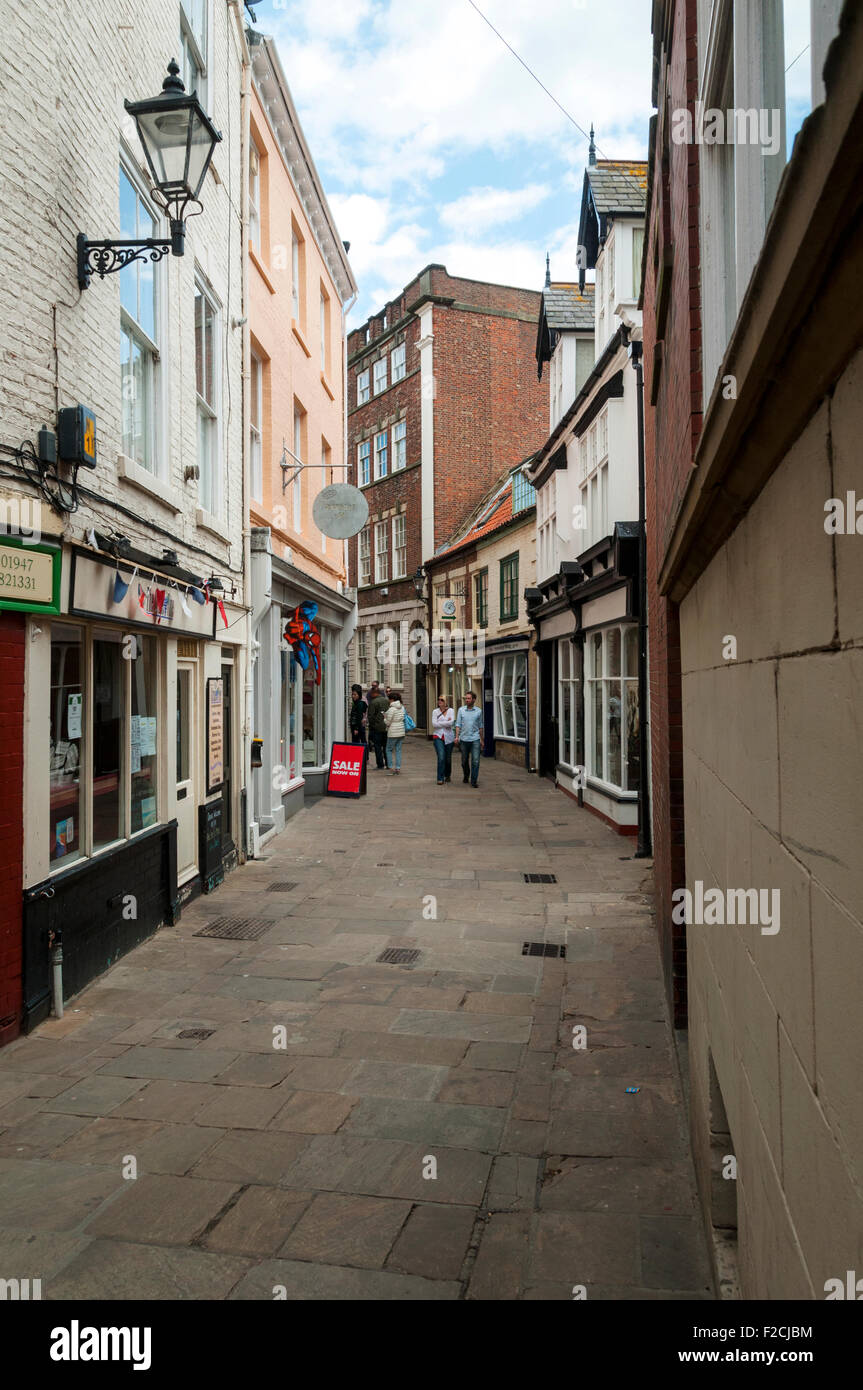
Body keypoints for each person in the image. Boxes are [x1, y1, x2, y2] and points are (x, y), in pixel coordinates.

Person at [454, 689, 483, 787]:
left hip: (475, 739)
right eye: (466, 698)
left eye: (469, 698)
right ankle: (466, 775)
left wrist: (481, 740)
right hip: (464, 739)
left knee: (475, 761)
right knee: (464, 761)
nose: (467, 700)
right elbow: (458, 724)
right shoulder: (461, 710)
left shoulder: (479, 711)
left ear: (474, 700)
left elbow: (480, 726)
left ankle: (474, 781)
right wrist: (456, 737)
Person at [431, 694, 455, 784]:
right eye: (439, 699)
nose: (439, 701)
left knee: (448, 759)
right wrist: (446, 722)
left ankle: (447, 775)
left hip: (449, 737)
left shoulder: (451, 711)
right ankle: (440, 778)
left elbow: (451, 723)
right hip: (438, 736)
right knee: (441, 757)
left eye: (442, 700)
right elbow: (434, 724)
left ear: (446, 702)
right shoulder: (435, 711)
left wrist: (440, 722)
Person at [383, 690, 406, 774]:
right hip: (401, 731)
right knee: (398, 750)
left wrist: (384, 718)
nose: (388, 700)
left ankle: (390, 767)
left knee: (388, 749)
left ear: (392, 699)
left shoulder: (392, 709)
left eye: (389, 699)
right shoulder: (402, 707)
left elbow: (388, 722)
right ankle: (398, 768)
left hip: (393, 731)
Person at [367, 686, 389, 769]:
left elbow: (371, 716)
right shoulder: (386, 701)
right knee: (386, 746)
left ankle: (380, 764)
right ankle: (388, 763)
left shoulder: (373, 702)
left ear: (374, 693)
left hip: (377, 728)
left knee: (378, 746)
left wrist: (372, 726)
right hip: (386, 727)